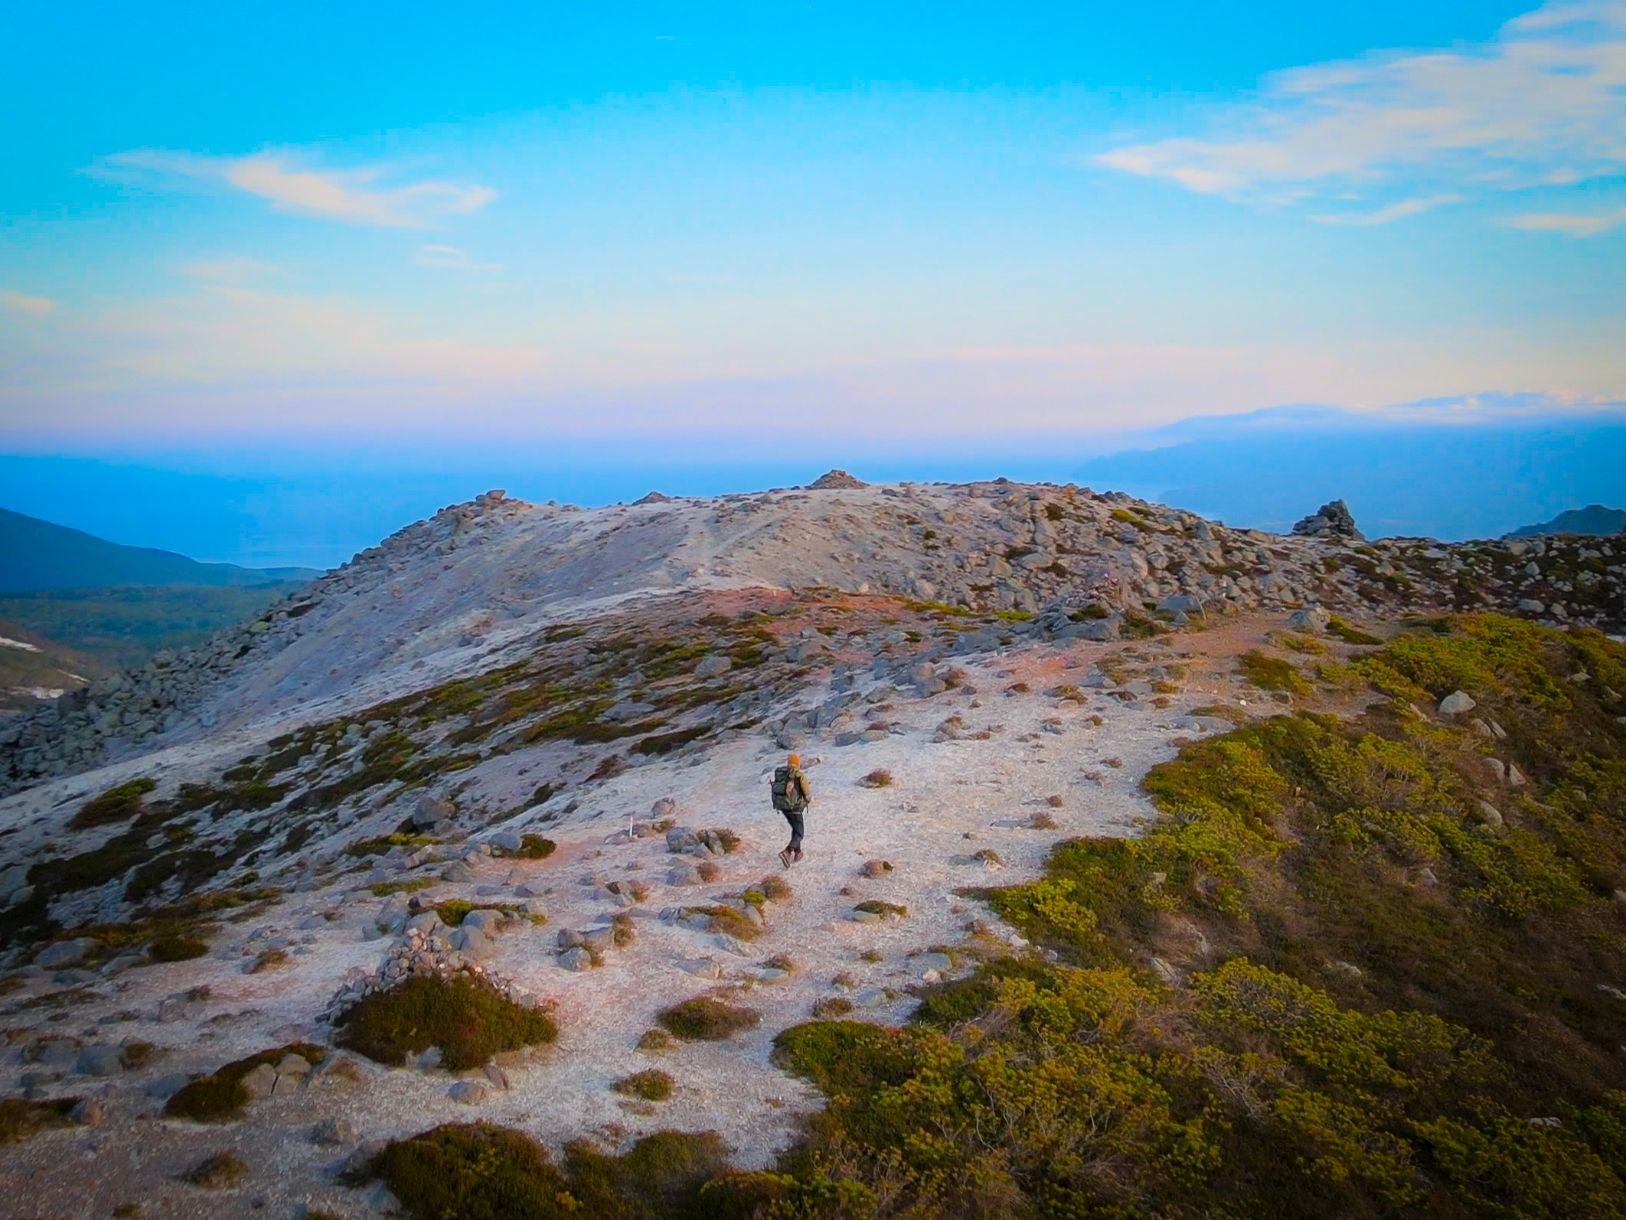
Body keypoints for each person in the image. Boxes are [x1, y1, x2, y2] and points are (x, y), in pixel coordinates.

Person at [770, 753, 812, 868]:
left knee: (795, 828)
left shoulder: (783, 774)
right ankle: (787, 852)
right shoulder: (799, 775)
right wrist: (808, 800)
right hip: (796, 808)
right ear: (798, 763)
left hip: (784, 808)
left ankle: (798, 853)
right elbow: (807, 794)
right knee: (800, 833)